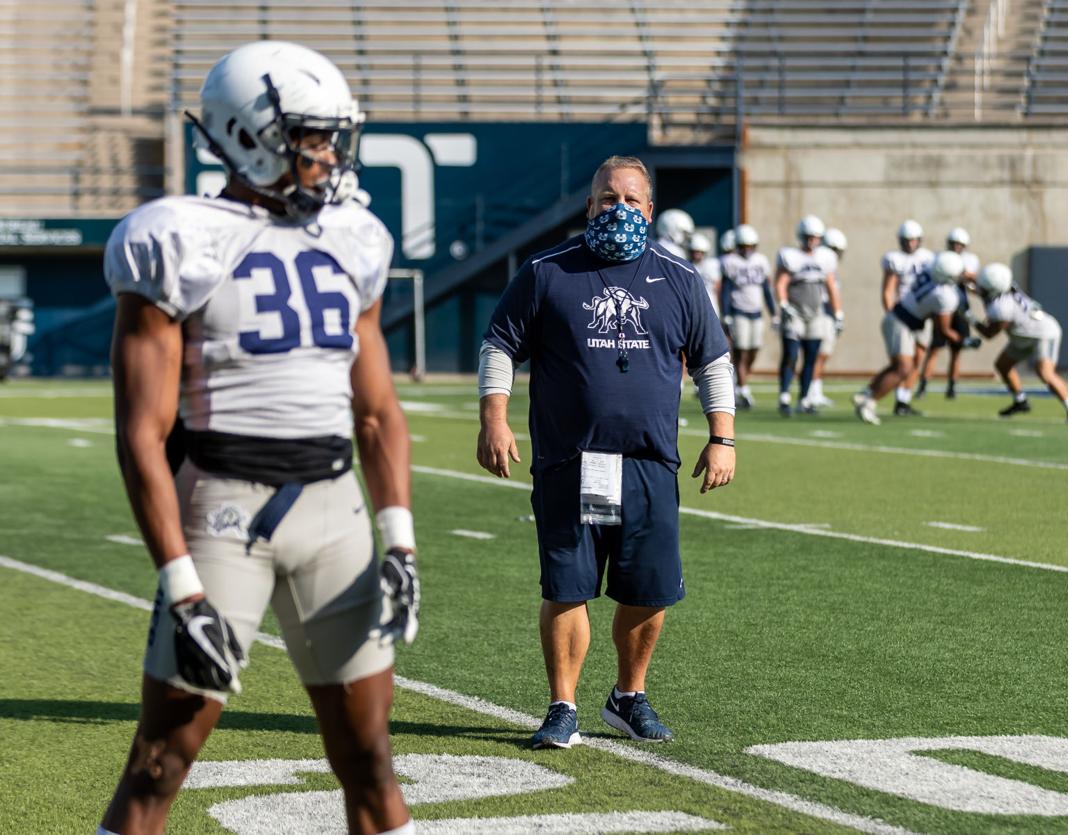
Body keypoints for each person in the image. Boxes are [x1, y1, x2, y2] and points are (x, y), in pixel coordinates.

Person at [98, 41, 419, 835]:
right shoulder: (178, 237)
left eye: (332, 136)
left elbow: (377, 412)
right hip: (222, 508)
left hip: (334, 509)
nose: (329, 154)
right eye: (312, 136)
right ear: (249, 134)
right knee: (158, 764)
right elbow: (143, 431)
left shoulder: (355, 236)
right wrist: (181, 586)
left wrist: (401, 541)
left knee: (372, 760)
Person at [475, 155, 736, 749]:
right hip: (574, 459)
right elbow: (498, 347)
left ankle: (628, 696)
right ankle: (562, 704)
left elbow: (713, 362)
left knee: (648, 587)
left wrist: (722, 438)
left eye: (629, 200)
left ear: (650, 208)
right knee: (568, 584)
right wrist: (495, 419)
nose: (617, 210)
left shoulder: (680, 277)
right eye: (605, 199)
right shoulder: (547, 270)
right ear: (589, 206)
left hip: (647, 460)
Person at [854, 251, 981, 425]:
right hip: (901, 323)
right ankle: (868, 403)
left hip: (900, 318)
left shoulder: (931, 270)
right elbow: (944, 329)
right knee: (903, 368)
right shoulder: (945, 295)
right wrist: (964, 340)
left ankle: (866, 394)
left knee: (899, 366)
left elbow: (956, 275)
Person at [974, 263, 1068, 424]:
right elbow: (981, 288)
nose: (979, 287)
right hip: (1023, 335)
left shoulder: (1001, 308)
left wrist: (969, 317)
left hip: (1043, 333)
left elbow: (989, 334)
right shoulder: (1006, 287)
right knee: (1003, 365)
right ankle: (1021, 401)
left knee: (1045, 373)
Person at [774, 215, 842, 416]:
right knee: (792, 354)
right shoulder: (791, 256)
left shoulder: (825, 257)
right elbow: (780, 283)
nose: (812, 240)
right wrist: (784, 304)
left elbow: (830, 286)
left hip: (816, 313)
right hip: (795, 311)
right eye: (809, 236)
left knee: (811, 356)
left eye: (816, 237)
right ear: (801, 236)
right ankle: (784, 396)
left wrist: (838, 313)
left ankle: (804, 398)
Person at [916, 227, 979, 400]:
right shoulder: (939, 257)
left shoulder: (970, 259)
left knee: (956, 351)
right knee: (935, 348)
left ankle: (952, 386)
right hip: (942, 308)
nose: (957, 247)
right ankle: (923, 385)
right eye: (954, 243)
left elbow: (970, 278)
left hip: (959, 308)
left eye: (960, 244)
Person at [880, 220, 935, 415]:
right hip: (904, 313)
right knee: (904, 361)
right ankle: (892, 397)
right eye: (906, 241)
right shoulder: (895, 259)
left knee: (918, 358)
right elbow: (888, 290)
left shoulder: (928, 258)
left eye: (913, 241)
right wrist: (891, 313)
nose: (910, 244)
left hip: (924, 313)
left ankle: (904, 399)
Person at [719, 224, 775, 409]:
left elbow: (766, 289)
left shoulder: (760, 261)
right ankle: (743, 389)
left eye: (750, 246)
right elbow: (725, 290)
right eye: (744, 245)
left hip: (756, 312)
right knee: (741, 351)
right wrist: (726, 314)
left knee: (754, 350)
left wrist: (773, 313)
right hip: (739, 311)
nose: (747, 249)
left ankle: (739, 380)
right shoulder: (730, 262)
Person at [808, 227, 848, 408]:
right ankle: (812, 391)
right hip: (822, 311)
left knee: (824, 354)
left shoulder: (829, 264)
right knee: (819, 353)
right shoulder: (822, 262)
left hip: (828, 312)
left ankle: (816, 389)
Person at [689, 232, 722, 316]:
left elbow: (717, 287)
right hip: (693, 306)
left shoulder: (712, 264)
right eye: (695, 252)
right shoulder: (687, 266)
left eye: (700, 252)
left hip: (711, 304)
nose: (697, 255)